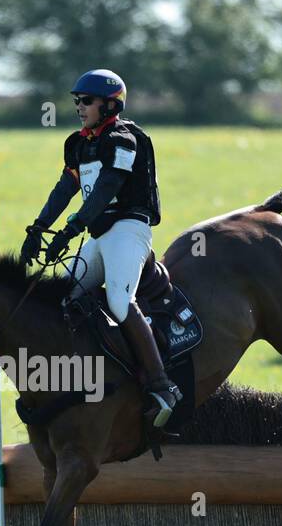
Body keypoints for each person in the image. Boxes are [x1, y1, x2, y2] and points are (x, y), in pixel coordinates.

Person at [21, 69, 181, 427]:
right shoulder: (78, 143)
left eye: (86, 101)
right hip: (98, 236)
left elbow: (109, 185)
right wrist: (39, 227)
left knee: (120, 303)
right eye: (76, 100)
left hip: (127, 230)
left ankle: (162, 386)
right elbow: (65, 189)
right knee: (59, 298)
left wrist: (72, 227)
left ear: (110, 104)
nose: (79, 106)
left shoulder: (123, 138)